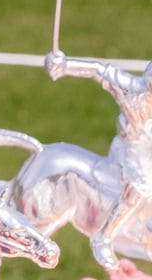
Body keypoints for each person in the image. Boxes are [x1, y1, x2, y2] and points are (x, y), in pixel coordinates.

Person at [47, 48, 152, 267]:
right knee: (140, 187)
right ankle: (105, 237)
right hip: (131, 148)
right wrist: (65, 65)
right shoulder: (130, 90)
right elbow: (99, 70)